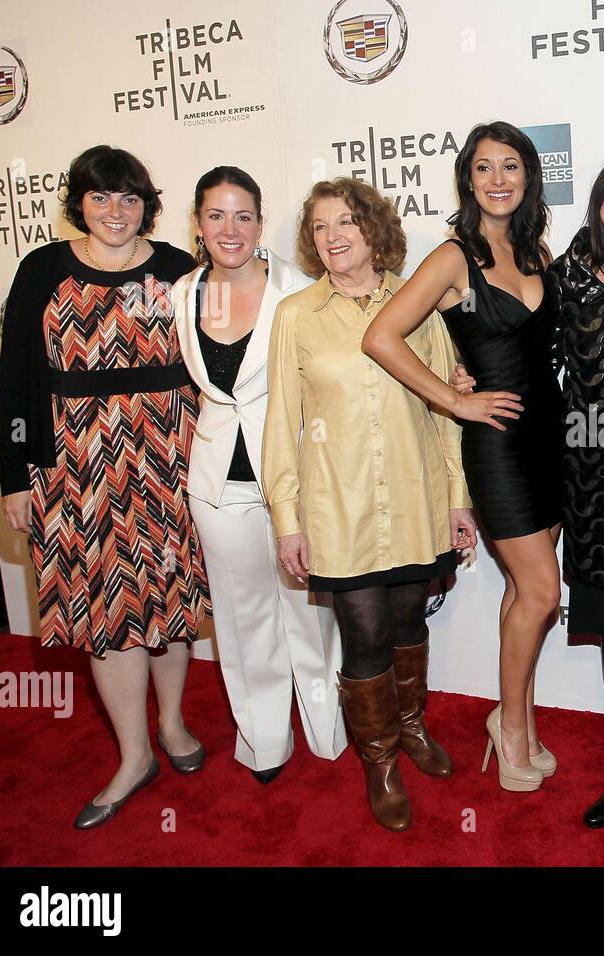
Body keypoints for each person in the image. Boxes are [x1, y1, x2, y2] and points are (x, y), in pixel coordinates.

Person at [453, 150, 604, 825]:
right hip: (583, 470)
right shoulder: (565, 273)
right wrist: (465, 381)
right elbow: (525, 348)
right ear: (599, 195)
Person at [0, 145, 207, 828]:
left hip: (170, 456)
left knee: (169, 598)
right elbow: (17, 379)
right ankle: (134, 753)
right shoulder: (43, 270)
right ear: (79, 203)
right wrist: (13, 471)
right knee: (106, 612)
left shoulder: (178, 269)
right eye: (101, 197)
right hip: (76, 463)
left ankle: (174, 726)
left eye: (129, 198)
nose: (116, 212)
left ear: (147, 204)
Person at [263, 178, 477, 831]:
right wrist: (287, 519)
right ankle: (378, 760)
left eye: (347, 223)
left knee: (410, 622)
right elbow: (281, 424)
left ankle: (412, 726)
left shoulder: (417, 307)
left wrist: (458, 501)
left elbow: (447, 410)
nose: (333, 237)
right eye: (322, 227)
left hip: (416, 500)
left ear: (374, 230)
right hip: (339, 508)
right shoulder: (296, 316)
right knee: (365, 635)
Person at [362, 121, 564, 794]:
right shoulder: (455, 258)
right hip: (499, 445)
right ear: (468, 179)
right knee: (542, 593)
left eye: (512, 166)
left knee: (523, 597)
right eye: (485, 168)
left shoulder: (536, 251)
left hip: (551, 439)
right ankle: (507, 729)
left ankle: (521, 722)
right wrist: (454, 402)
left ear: (529, 178)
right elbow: (382, 336)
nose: (498, 179)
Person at [172, 166, 346, 786]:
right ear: (197, 223)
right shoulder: (180, 293)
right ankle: (265, 738)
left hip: (297, 473)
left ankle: (327, 730)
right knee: (244, 618)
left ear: (260, 220)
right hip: (219, 480)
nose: (230, 228)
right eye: (216, 215)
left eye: (243, 215)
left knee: (311, 612)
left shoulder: (302, 288)